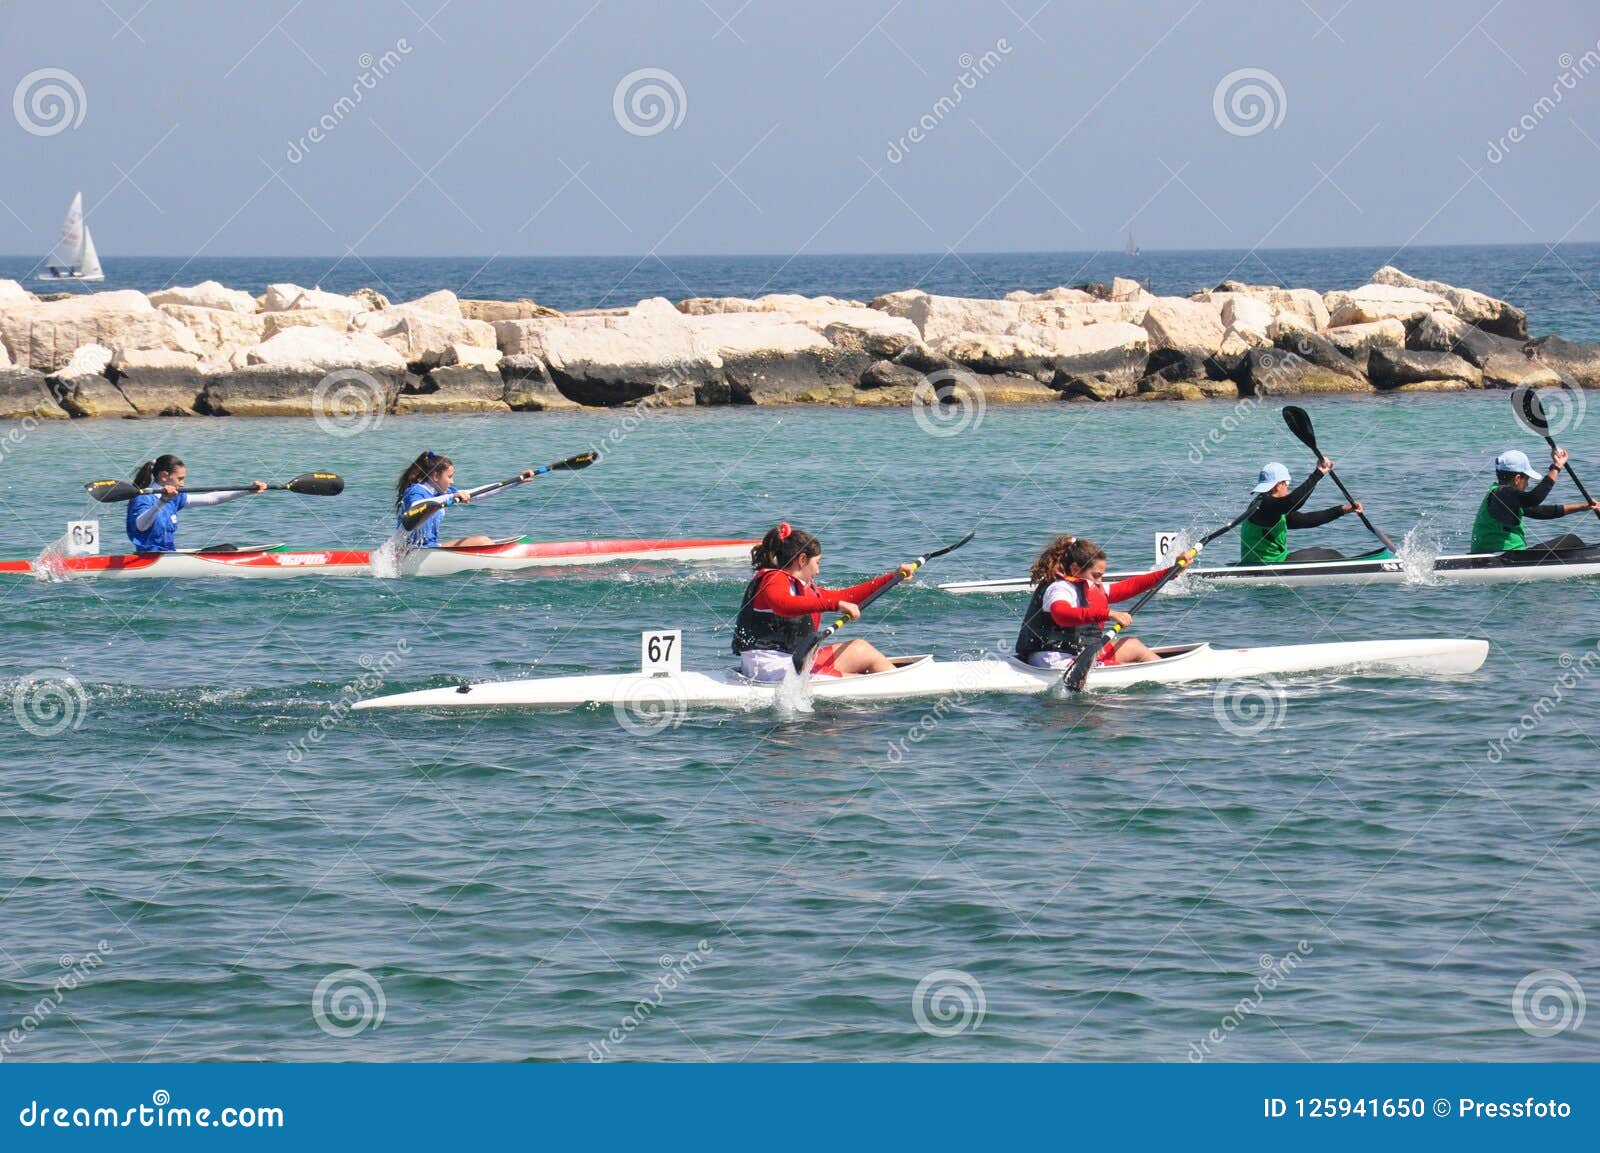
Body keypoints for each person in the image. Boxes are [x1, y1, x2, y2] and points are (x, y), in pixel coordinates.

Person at [732, 523, 914, 681]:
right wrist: (835, 606)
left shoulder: (800, 587)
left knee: (861, 648)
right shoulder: (773, 578)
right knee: (862, 680)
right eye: (817, 563)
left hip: (794, 662)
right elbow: (782, 605)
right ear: (802, 560)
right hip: (771, 670)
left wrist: (893, 577)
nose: (818, 570)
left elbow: (847, 596)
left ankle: (902, 684)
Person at [1014, 535, 1164, 669]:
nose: (1099, 581)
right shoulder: (1060, 588)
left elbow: (1129, 587)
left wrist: (1169, 573)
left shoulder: (1083, 584)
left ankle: (1164, 671)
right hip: (1053, 660)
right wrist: (1108, 614)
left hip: (1075, 653)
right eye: (1096, 575)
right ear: (1074, 568)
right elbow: (1061, 614)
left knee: (1133, 645)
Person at [125, 455, 266, 552]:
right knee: (227, 549)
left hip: (168, 554)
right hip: (149, 557)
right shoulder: (143, 497)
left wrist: (247, 491)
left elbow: (211, 498)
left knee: (228, 548)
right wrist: (162, 502)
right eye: (180, 479)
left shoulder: (174, 496)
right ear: (163, 476)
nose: (183, 483)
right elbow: (141, 526)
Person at [394, 451, 533, 548]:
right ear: (435, 476)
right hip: (410, 551)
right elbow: (417, 506)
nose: (452, 482)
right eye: (449, 476)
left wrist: (516, 482)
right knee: (483, 541)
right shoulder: (415, 491)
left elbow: (477, 493)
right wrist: (450, 497)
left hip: (430, 547)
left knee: (483, 541)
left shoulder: (440, 492)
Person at [1470, 448, 1599, 553]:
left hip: (1496, 555)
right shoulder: (1503, 493)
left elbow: (1542, 512)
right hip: (1506, 556)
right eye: (1527, 479)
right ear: (1517, 478)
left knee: (1576, 545)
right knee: (1572, 540)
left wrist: (1583, 507)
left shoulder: (1500, 496)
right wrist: (1557, 467)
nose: (1527, 484)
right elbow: (1534, 498)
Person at [1240, 460, 1363, 565]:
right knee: (1330, 554)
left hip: (1264, 562)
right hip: (1270, 564)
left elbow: (1307, 520)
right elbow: (1293, 502)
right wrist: (1318, 473)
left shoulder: (1268, 508)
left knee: (1318, 551)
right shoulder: (1266, 506)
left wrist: (1341, 510)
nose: (1288, 489)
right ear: (1279, 485)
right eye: (1287, 484)